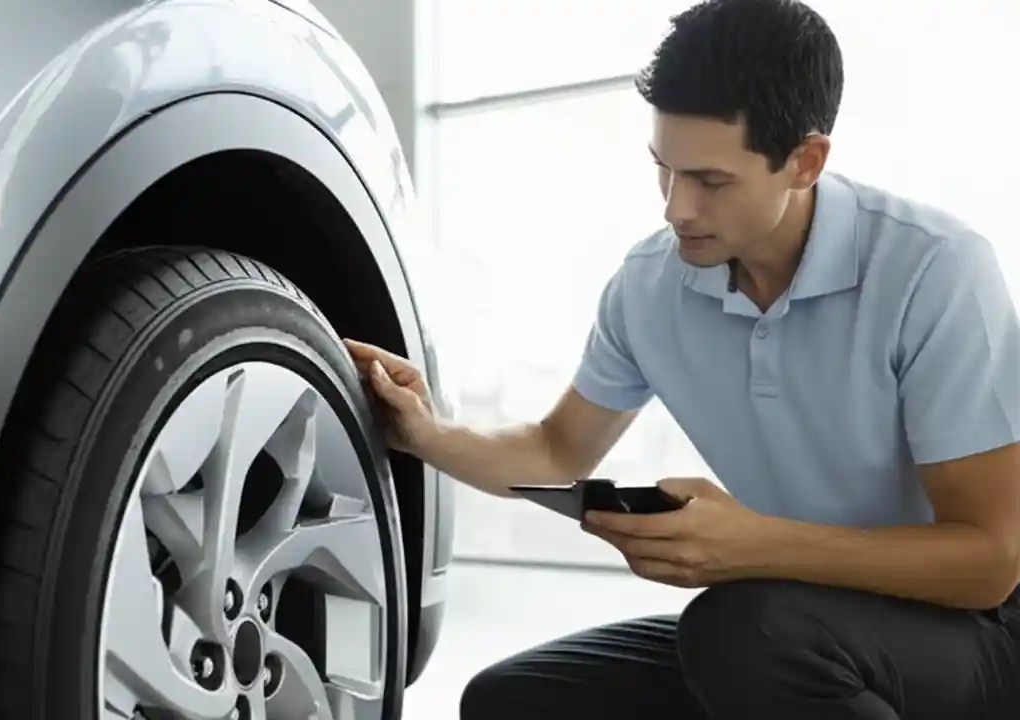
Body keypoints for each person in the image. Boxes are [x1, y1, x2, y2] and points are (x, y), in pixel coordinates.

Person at [343, 0, 1020, 717]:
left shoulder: (932, 270)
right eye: (663, 170)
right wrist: (428, 433)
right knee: (510, 702)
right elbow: (555, 450)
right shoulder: (649, 286)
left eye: (710, 181)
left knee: (740, 630)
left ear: (805, 162)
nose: (676, 208)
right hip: (800, 617)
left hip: (982, 629)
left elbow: (989, 563)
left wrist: (753, 546)